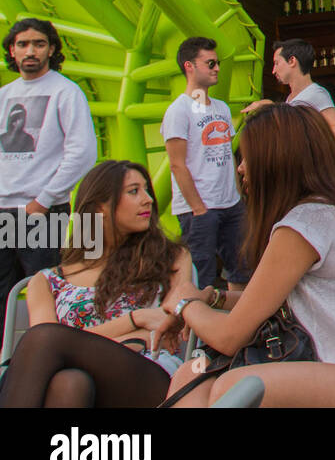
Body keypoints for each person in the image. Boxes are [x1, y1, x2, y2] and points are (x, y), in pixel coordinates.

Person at [161, 103, 335, 407]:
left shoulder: (306, 223)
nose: (240, 168)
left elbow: (229, 336)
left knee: (236, 387)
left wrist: (183, 302)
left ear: (275, 162)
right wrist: (210, 298)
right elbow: (263, 303)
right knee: (190, 376)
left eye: (247, 157)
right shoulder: (334, 209)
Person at [0, 160, 197, 407]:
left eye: (146, 190)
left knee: (50, 342)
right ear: (99, 208)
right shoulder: (47, 281)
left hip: (148, 375)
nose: (148, 199)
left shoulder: (172, 258)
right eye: (134, 191)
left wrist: (74, 347)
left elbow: (165, 331)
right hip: (78, 378)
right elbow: (41, 347)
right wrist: (134, 321)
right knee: (70, 381)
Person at [0, 19, 96, 326]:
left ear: (51, 49)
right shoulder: (4, 95)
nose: (30, 51)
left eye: (39, 44)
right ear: (12, 51)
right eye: (22, 44)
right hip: (3, 209)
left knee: (43, 292)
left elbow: (82, 153)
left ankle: (41, 362)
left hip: (42, 209)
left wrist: (42, 201)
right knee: (3, 294)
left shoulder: (66, 92)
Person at [162, 36, 249, 292]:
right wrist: (198, 208)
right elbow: (177, 165)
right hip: (199, 208)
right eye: (210, 63)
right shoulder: (178, 110)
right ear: (190, 66)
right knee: (202, 277)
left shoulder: (221, 108)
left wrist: (238, 195)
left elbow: (227, 155)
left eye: (217, 62)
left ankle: (238, 327)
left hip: (231, 204)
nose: (217, 68)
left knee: (241, 269)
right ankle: (199, 331)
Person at [243, 39, 335, 143]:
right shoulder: (291, 97)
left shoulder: (315, 93)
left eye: (276, 63)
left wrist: (299, 142)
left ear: (292, 61)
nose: (273, 71)